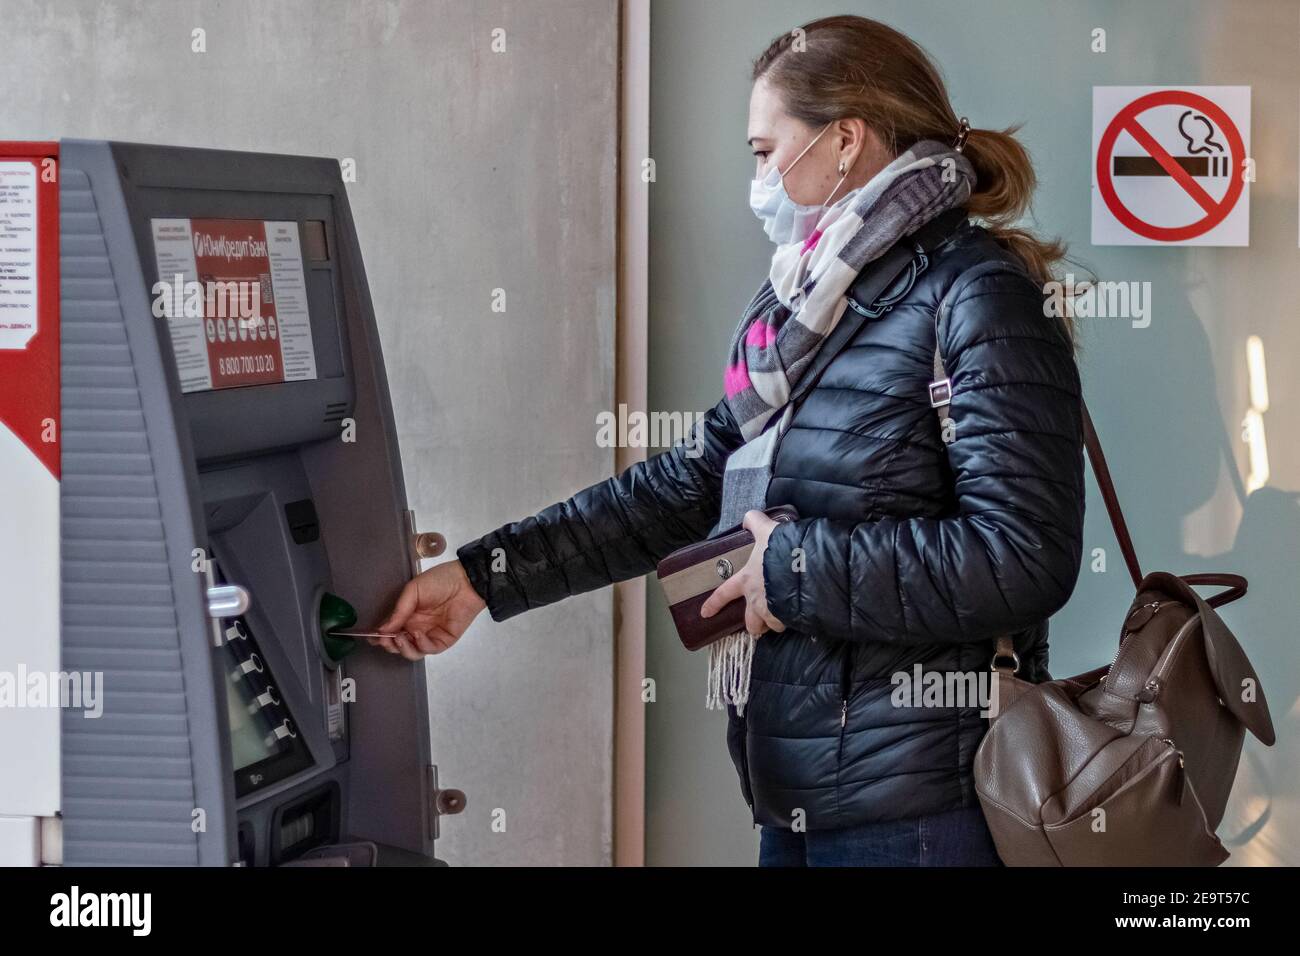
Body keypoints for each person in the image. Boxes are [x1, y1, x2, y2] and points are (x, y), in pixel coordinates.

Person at [373, 14, 1085, 867]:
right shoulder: (807, 312)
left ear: (845, 142)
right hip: (796, 801)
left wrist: (795, 568)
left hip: (923, 813)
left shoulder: (976, 298)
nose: (755, 176)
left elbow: (1024, 556)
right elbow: (684, 486)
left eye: (763, 148)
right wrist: (485, 577)